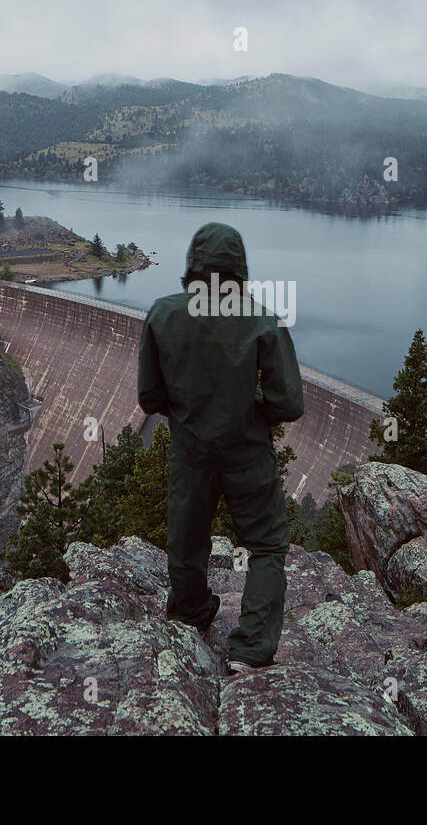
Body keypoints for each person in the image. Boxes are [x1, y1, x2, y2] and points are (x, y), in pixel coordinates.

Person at [137, 222, 304, 673]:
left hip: (192, 452)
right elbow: (289, 403)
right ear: (239, 268)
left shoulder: (162, 314)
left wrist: (191, 409)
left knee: (186, 541)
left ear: (193, 264)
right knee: (266, 546)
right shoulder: (262, 319)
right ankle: (250, 650)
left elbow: (150, 399)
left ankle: (191, 612)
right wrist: (249, 406)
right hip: (248, 452)